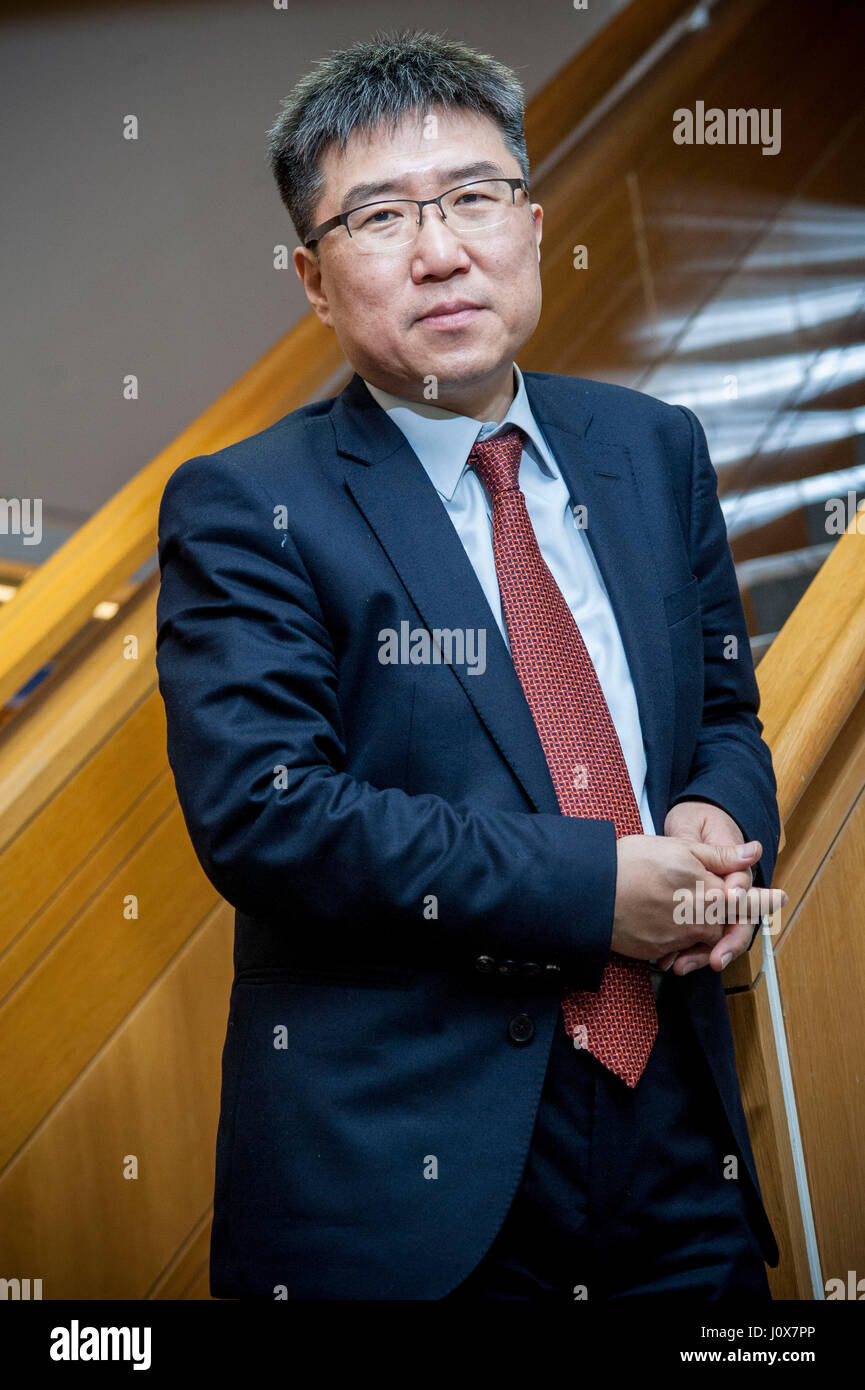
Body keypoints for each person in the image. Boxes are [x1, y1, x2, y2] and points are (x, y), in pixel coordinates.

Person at [155, 28, 787, 1300]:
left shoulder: (651, 447)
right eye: (379, 216)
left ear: (534, 224)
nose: (439, 248)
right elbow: (268, 816)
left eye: (473, 197)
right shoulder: (247, 503)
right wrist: (591, 885)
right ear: (314, 282)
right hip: (405, 1177)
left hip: (677, 1131)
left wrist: (720, 806)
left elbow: (723, 704)